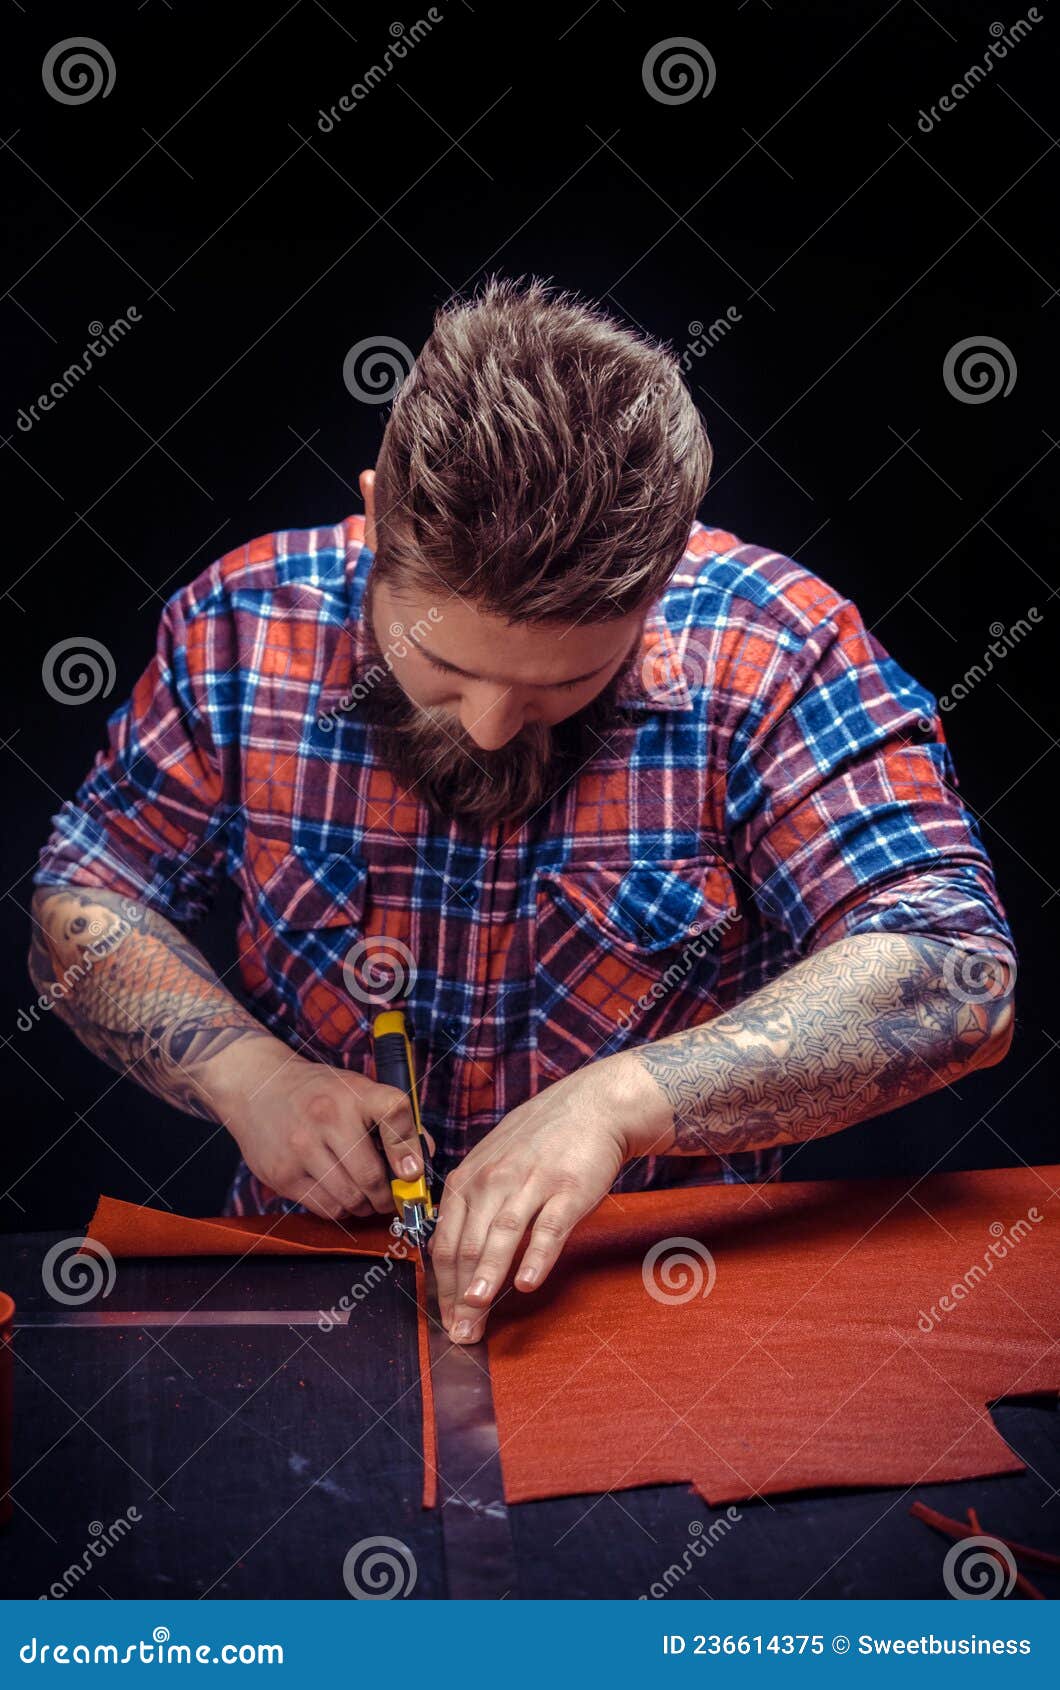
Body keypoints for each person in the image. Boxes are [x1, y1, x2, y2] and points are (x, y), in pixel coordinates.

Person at [30, 279, 1015, 1344]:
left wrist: (624, 1103)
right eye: (446, 668)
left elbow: (954, 965)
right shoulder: (239, 625)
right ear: (374, 520)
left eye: (564, 682)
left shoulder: (777, 647)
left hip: (662, 1290)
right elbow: (87, 892)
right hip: (316, 1298)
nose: (495, 726)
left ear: (661, 579)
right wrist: (245, 1074)